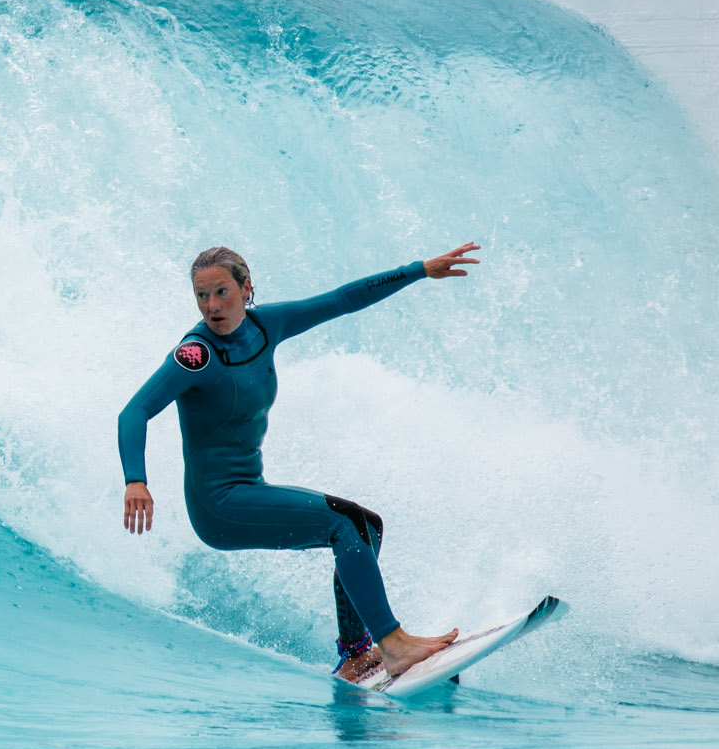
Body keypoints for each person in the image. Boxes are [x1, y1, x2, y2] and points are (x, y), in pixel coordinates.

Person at [118, 243, 481, 683]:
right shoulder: (196, 355)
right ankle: (395, 645)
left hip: (249, 488)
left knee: (367, 526)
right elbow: (134, 411)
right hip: (218, 504)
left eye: (221, 292)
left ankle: (357, 654)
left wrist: (420, 270)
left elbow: (342, 300)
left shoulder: (266, 326)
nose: (211, 306)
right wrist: (136, 481)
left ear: (246, 287)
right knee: (342, 523)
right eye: (201, 296)